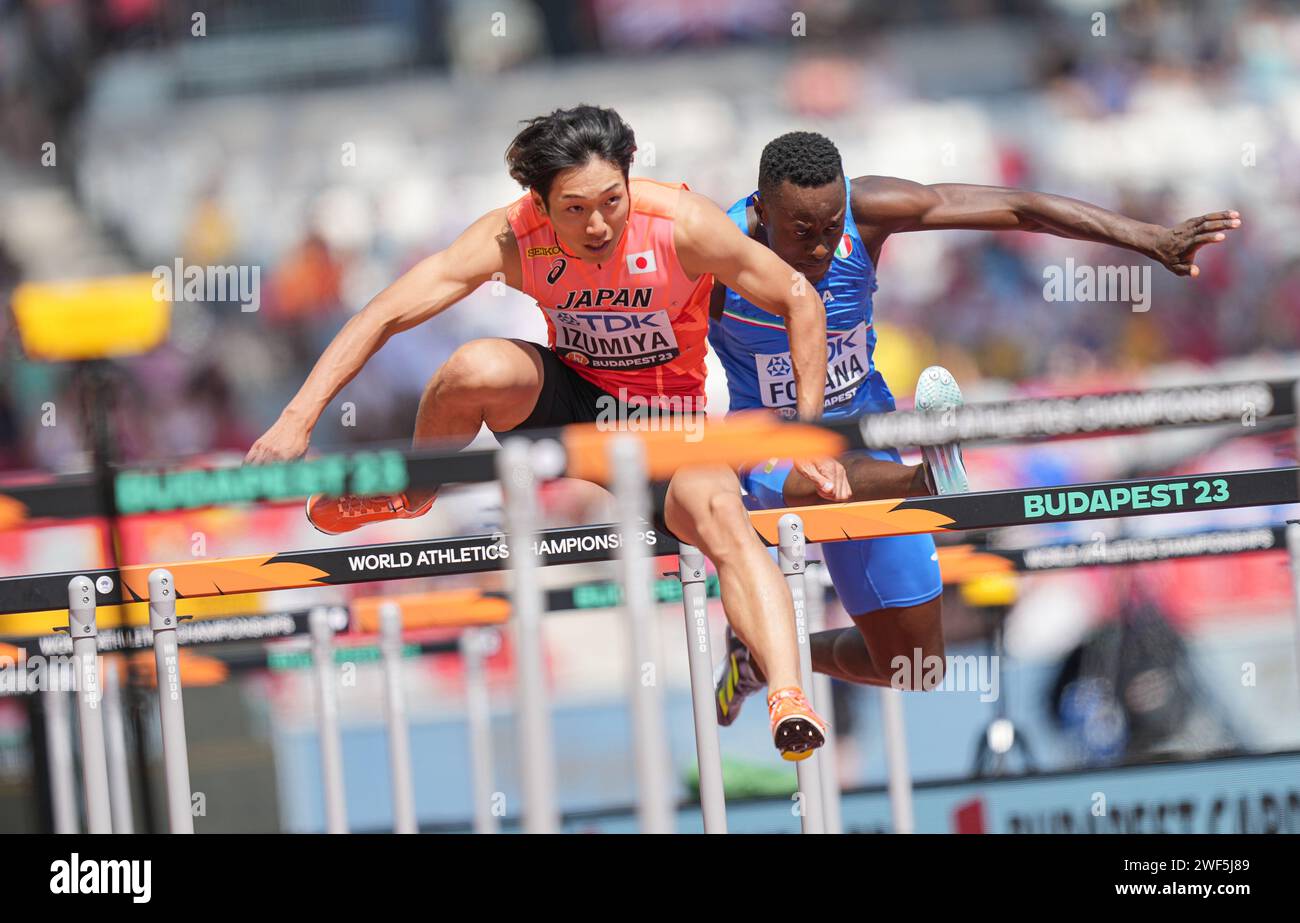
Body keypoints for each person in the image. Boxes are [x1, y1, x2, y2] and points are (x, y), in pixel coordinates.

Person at [245, 106, 842, 760]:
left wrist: (805, 435)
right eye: (575, 208)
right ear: (539, 202)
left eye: (612, 201)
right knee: (472, 367)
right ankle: (414, 490)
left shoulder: (680, 225)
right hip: (573, 406)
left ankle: (789, 695)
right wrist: (298, 416)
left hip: (667, 425)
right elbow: (386, 311)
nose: (597, 224)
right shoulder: (511, 236)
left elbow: (798, 296)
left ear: (628, 182)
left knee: (725, 516)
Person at [711, 130, 1241, 723]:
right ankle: (928, 483)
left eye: (831, 228)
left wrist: (1147, 238)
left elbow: (1021, 208)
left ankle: (761, 660)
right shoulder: (714, 248)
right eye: (799, 233)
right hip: (769, 450)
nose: (818, 249)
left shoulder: (870, 210)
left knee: (913, 666)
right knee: (815, 477)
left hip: (866, 435)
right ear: (761, 210)